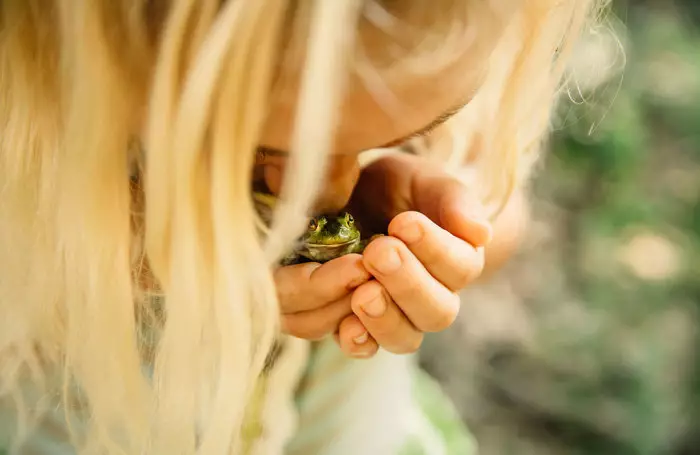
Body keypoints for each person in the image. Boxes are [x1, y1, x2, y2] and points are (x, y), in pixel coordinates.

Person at [0, 1, 604, 454]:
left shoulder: (437, 39)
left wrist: (446, 238)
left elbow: (500, 221)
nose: (331, 194)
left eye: (387, 141)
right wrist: (137, 252)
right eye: (262, 150)